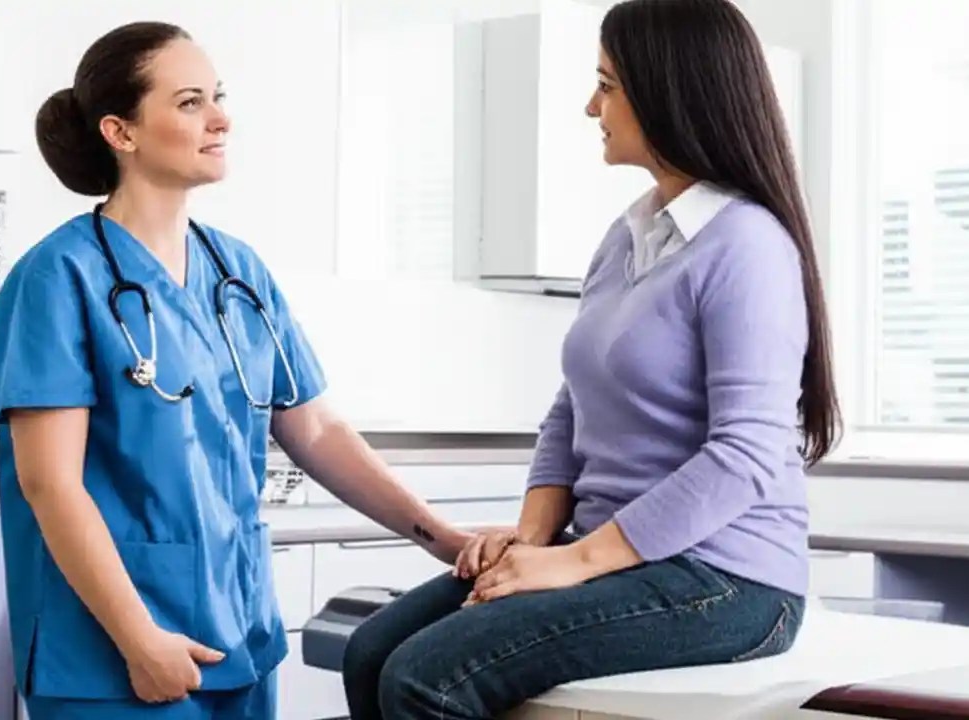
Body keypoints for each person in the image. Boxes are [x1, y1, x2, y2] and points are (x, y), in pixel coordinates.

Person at [340, 0, 842, 717]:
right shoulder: (631, 235)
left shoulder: (748, 246)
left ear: (668, 93)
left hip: (728, 578)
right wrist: (533, 534)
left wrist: (572, 562)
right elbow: (573, 401)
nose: (589, 106)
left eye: (607, 84)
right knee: (370, 653)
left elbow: (747, 454)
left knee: (424, 676)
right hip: (614, 554)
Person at [0, 21, 473, 720]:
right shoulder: (57, 277)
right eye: (189, 103)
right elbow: (50, 483)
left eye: (216, 96)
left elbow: (319, 431)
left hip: (237, 627)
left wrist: (442, 537)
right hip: (112, 648)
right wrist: (137, 637)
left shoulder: (236, 272)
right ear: (121, 132)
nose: (220, 118)